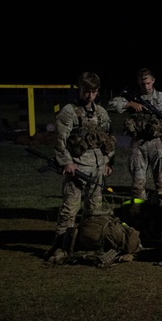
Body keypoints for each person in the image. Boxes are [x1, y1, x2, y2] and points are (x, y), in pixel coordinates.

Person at [46, 72, 115, 258]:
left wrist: (108, 161)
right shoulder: (69, 112)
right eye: (86, 91)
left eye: (93, 92)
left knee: (94, 209)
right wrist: (67, 162)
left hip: (97, 168)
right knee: (70, 208)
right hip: (77, 167)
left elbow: (108, 140)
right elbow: (60, 140)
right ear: (80, 89)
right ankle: (61, 245)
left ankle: (86, 242)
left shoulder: (101, 113)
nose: (90, 95)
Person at [108, 67, 162, 211]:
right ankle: (138, 215)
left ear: (153, 81)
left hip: (158, 144)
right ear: (138, 82)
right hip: (138, 144)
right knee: (138, 184)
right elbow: (112, 105)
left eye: (148, 83)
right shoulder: (133, 97)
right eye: (143, 84)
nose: (146, 86)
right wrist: (130, 104)